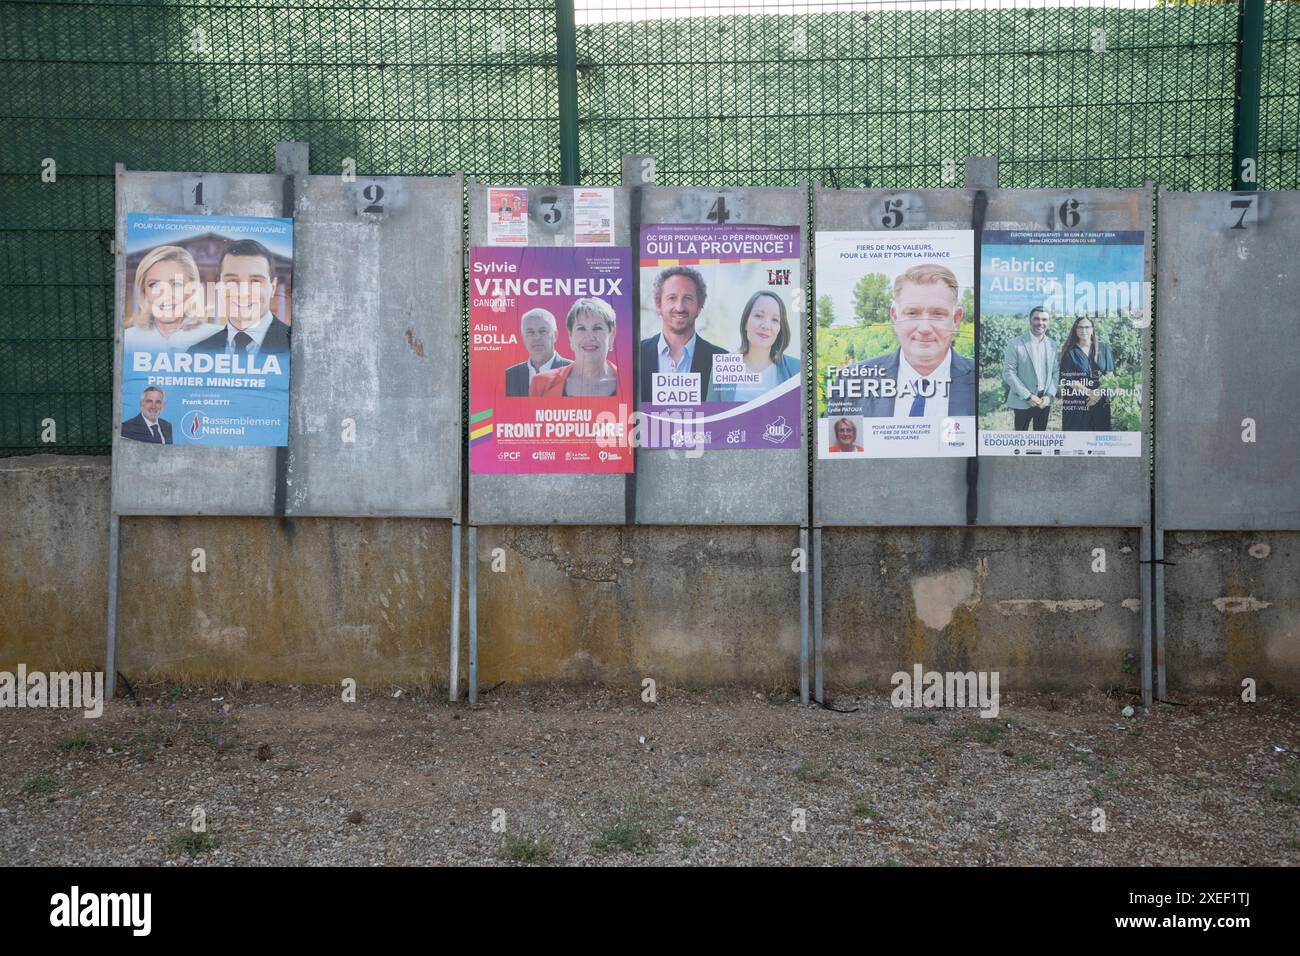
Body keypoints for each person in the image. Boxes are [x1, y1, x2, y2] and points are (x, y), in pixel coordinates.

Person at [832, 263, 974, 418]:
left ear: (956, 319)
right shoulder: (852, 380)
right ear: (895, 317)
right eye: (912, 313)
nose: (924, 328)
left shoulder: (980, 380)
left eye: (938, 314)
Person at [639, 266, 725, 404]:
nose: (679, 307)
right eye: (672, 298)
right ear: (658, 305)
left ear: (699, 306)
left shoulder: (722, 360)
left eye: (688, 298)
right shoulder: (635, 356)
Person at [190, 239, 291, 354]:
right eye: (232, 280)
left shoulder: (296, 345)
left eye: (255, 281)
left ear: (273, 287)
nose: (243, 293)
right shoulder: (195, 353)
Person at [706, 291, 801, 403]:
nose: (766, 326)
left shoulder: (797, 369)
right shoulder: (722, 367)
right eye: (759, 316)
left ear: (780, 328)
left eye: (775, 320)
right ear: (746, 322)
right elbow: (714, 417)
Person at [123, 246, 218, 352]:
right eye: (154, 285)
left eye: (176, 284)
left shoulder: (216, 337)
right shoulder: (127, 341)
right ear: (144, 291)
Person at [530, 298, 620, 397]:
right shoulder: (541, 384)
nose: (589, 337)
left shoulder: (629, 382)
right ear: (570, 336)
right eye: (581, 328)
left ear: (611, 335)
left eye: (597, 328)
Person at [1002, 306, 1059, 430]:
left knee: (1040, 436)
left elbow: (1055, 371)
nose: (1040, 323)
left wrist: (1049, 395)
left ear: (1049, 322)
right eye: (1036, 319)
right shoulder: (1015, 343)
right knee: (1021, 437)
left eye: (1044, 319)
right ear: (1030, 320)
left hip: (1044, 401)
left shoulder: (1052, 344)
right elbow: (1008, 372)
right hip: (1023, 400)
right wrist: (1028, 396)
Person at [1059, 316, 1115, 431]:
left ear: (1092, 329)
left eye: (1087, 327)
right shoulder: (1070, 352)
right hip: (1077, 402)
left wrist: (1098, 393)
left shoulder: (1104, 349)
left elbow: (1110, 374)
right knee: (1077, 439)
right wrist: (1090, 393)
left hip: (1101, 401)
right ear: (1075, 330)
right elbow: (1068, 379)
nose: (1083, 330)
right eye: (1080, 327)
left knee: (1100, 439)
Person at [504, 308, 571, 397]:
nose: (536, 337)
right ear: (523, 338)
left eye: (542, 331)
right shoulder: (509, 377)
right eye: (530, 332)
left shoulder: (574, 372)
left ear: (555, 335)